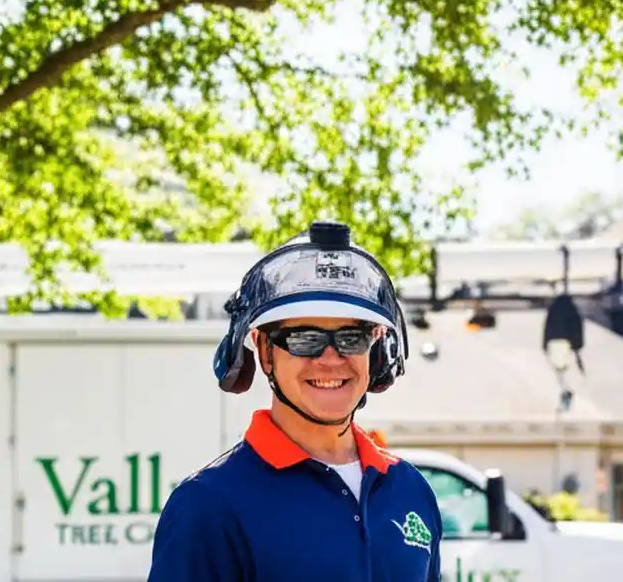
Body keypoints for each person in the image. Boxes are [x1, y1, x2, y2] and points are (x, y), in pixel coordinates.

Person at [148, 221, 443, 581]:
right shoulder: (208, 504)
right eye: (305, 339)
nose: (331, 359)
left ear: (377, 351)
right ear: (264, 351)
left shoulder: (410, 490)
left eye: (352, 338)